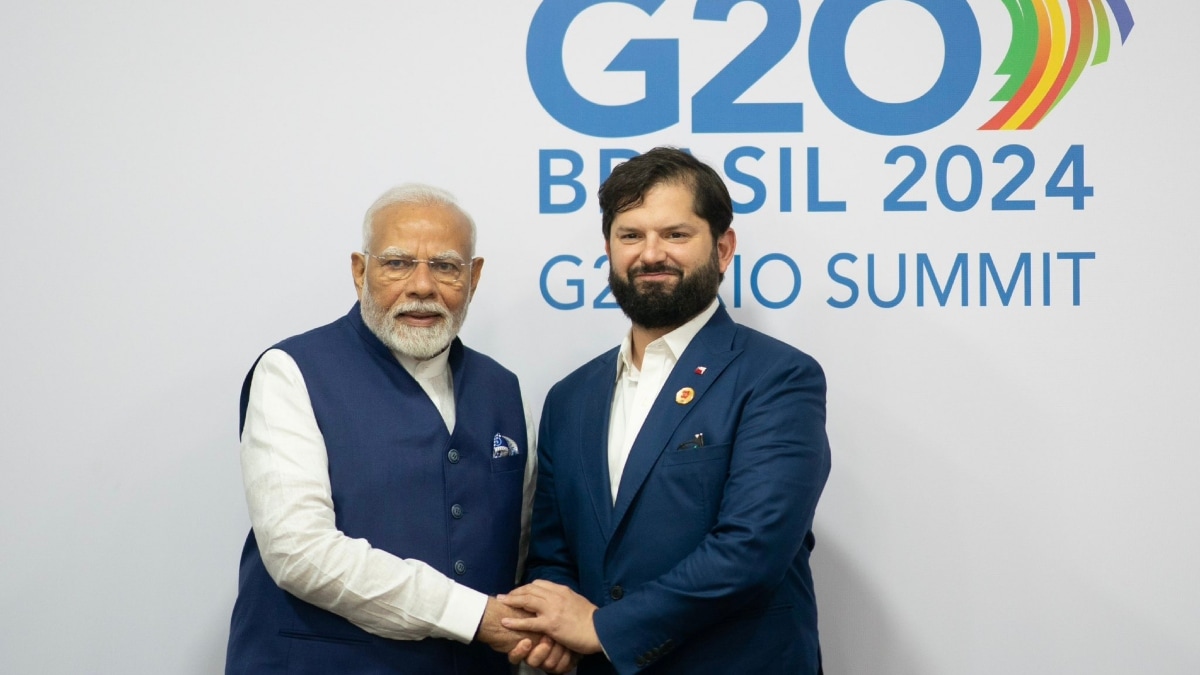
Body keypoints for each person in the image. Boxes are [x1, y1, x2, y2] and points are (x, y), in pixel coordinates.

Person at [499, 147, 832, 674]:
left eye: (676, 235)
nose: (651, 254)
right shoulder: (570, 398)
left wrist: (602, 629)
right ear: (608, 248)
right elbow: (552, 554)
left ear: (723, 249)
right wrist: (553, 627)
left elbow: (753, 549)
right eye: (630, 235)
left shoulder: (778, 377)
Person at [226, 183, 545, 673]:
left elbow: (519, 544)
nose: (422, 286)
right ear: (360, 271)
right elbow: (299, 551)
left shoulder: (502, 387)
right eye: (397, 263)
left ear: (474, 277)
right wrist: (472, 615)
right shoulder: (291, 371)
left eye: (445, 266)